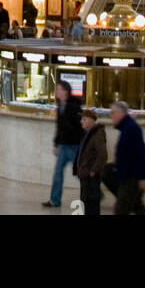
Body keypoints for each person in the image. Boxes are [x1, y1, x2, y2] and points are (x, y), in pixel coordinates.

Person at [42, 79, 83, 208]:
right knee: (58, 172)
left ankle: (95, 193)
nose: (56, 92)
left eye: (59, 89)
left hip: (74, 145)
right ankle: (55, 199)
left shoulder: (74, 106)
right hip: (64, 145)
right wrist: (56, 143)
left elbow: (77, 126)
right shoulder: (60, 106)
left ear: (66, 91)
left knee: (80, 173)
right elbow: (59, 127)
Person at [110, 101, 145, 215]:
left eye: (113, 113)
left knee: (121, 209)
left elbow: (141, 153)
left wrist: (143, 177)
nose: (111, 116)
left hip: (131, 177)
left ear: (121, 113)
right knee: (137, 206)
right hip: (126, 175)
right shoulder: (126, 127)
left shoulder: (131, 128)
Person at [75, 107, 107, 216]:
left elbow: (102, 155)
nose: (81, 122)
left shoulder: (97, 135)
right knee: (85, 203)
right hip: (85, 174)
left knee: (91, 205)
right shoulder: (88, 133)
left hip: (90, 175)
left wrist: (94, 171)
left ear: (90, 120)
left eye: (83, 120)